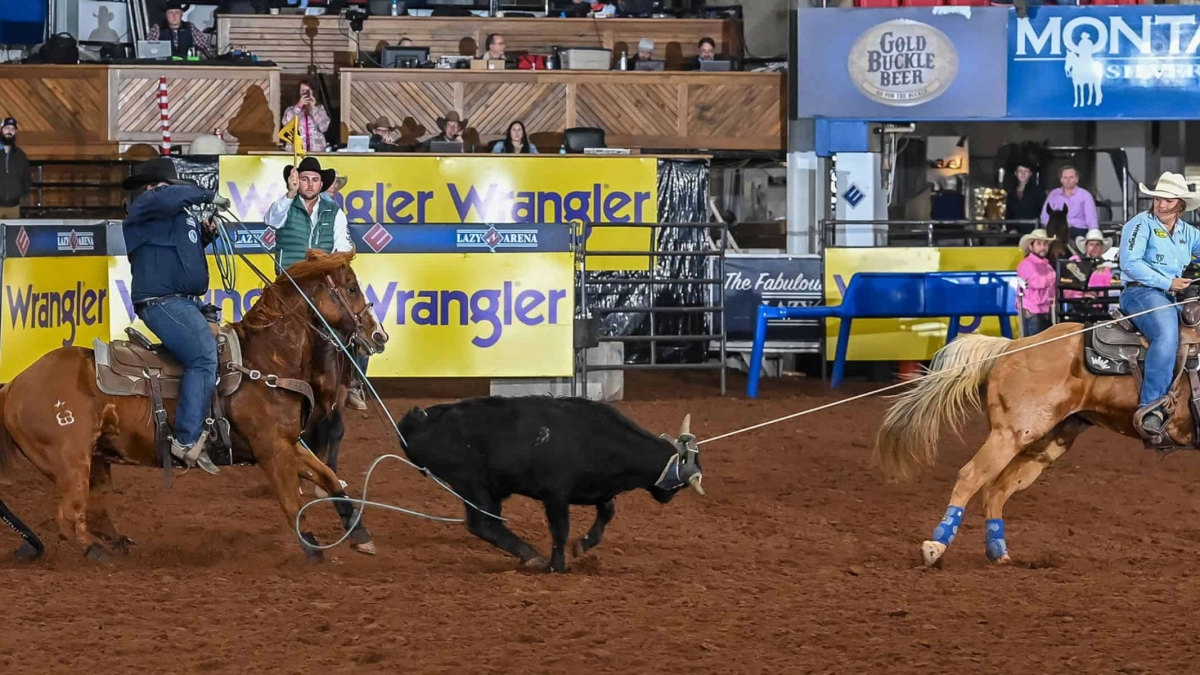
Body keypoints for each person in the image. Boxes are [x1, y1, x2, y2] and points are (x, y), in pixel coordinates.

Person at [122, 157, 229, 474]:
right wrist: (208, 196)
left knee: (223, 353)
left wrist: (207, 235)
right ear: (153, 187)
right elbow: (163, 197)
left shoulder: (178, 218)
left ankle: (209, 426)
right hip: (162, 302)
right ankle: (185, 438)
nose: (166, 193)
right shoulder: (146, 206)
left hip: (186, 302)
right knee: (203, 358)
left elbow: (186, 249)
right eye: (164, 188)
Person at [1117, 172, 1200, 444]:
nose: (1160, 204)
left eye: (1168, 200)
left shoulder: (1188, 233)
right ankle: (1151, 407)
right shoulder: (1140, 225)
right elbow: (1130, 264)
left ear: (1180, 205)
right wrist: (1168, 282)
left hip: (1171, 295)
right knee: (1166, 333)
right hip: (1140, 292)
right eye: (1158, 199)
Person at [1016, 228, 1056, 337]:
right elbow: (1038, 282)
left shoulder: (1047, 266)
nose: (1043, 247)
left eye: (1045, 244)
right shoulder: (1025, 264)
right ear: (1031, 246)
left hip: (1045, 312)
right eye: (1039, 243)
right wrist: (1054, 277)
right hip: (1032, 313)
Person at [1040, 165, 1098, 240]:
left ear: (1077, 179)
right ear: (1061, 180)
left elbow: (1091, 220)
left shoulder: (1085, 195)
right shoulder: (1053, 194)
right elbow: (1045, 216)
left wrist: (1093, 237)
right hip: (1057, 231)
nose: (1068, 180)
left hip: (1077, 231)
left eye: (1071, 177)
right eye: (1065, 177)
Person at [1063, 228, 1115, 304]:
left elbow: (1112, 289)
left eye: (1098, 244)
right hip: (1079, 305)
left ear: (1102, 247)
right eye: (1091, 244)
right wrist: (1083, 295)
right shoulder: (1075, 262)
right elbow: (1067, 288)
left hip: (1103, 305)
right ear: (1086, 246)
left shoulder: (1108, 266)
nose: (1094, 248)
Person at [147, 0, 212, 58]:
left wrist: (214, 60)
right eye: (171, 13)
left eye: (177, 12)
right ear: (166, 15)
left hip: (186, 66)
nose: (174, 16)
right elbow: (148, 49)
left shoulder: (190, 27)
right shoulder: (157, 28)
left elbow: (205, 46)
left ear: (181, 14)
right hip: (164, 66)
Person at [281, 81, 330, 154]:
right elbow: (286, 123)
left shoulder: (319, 109)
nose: (305, 93)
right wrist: (299, 106)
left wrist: (313, 109)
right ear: (299, 93)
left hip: (316, 151)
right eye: (303, 91)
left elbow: (324, 127)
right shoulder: (291, 109)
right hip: (296, 150)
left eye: (308, 91)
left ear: (312, 92)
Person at [0, 118, 31, 220]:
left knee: (13, 235)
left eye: (13, 129)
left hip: (14, 207)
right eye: (7, 128)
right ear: (1, 129)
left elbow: (26, 178)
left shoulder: (20, 155)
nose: (9, 131)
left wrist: (23, 195)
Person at [1006, 162, 1045, 231]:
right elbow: (1008, 214)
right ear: (1015, 173)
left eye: (1026, 171)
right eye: (1020, 171)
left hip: (1034, 233)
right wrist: (1010, 228)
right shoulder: (1011, 193)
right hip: (1015, 234)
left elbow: (1043, 213)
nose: (1023, 174)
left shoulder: (1038, 192)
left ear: (1030, 174)